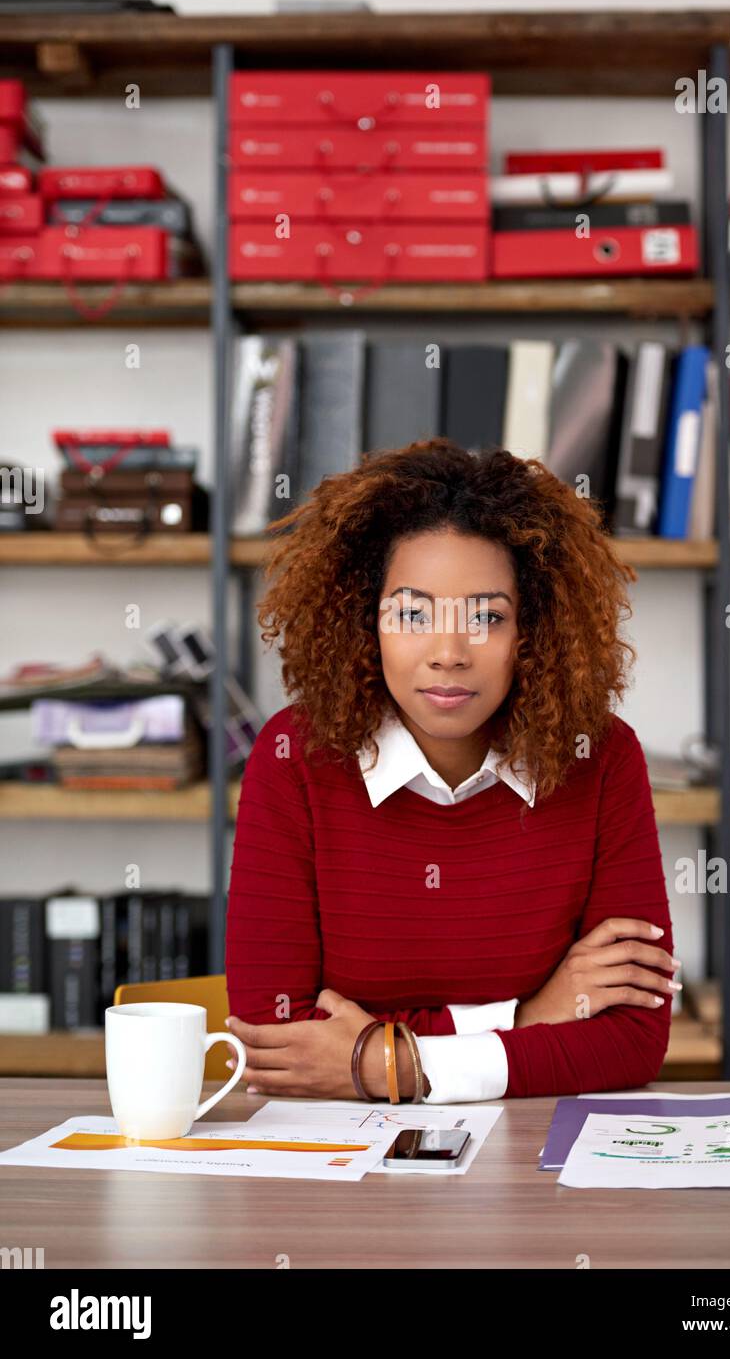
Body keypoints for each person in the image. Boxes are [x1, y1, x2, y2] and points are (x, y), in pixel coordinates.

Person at [224, 439, 678, 1102]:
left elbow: (634, 1039)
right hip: (337, 1181)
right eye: (411, 613)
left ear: (530, 628)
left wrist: (385, 1062)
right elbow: (275, 1041)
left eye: (484, 617)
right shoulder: (295, 758)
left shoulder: (601, 759)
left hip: (531, 1167)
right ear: (363, 621)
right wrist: (523, 1019)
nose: (447, 653)